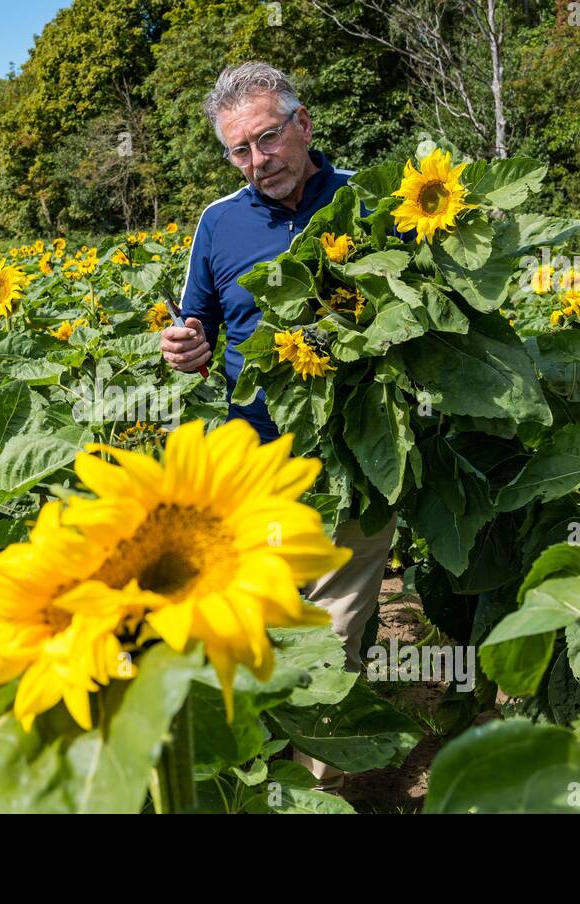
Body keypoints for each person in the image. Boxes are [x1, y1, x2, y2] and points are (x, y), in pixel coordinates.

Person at [159, 61, 397, 792]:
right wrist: (185, 350)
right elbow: (193, 328)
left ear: (304, 125)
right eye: (239, 149)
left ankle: (314, 792)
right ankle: (251, 779)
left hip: (357, 459)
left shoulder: (374, 201)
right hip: (254, 469)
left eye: (268, 138)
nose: (258, 161)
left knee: (328, 638)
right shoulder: (218, 222)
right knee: (250, 630)